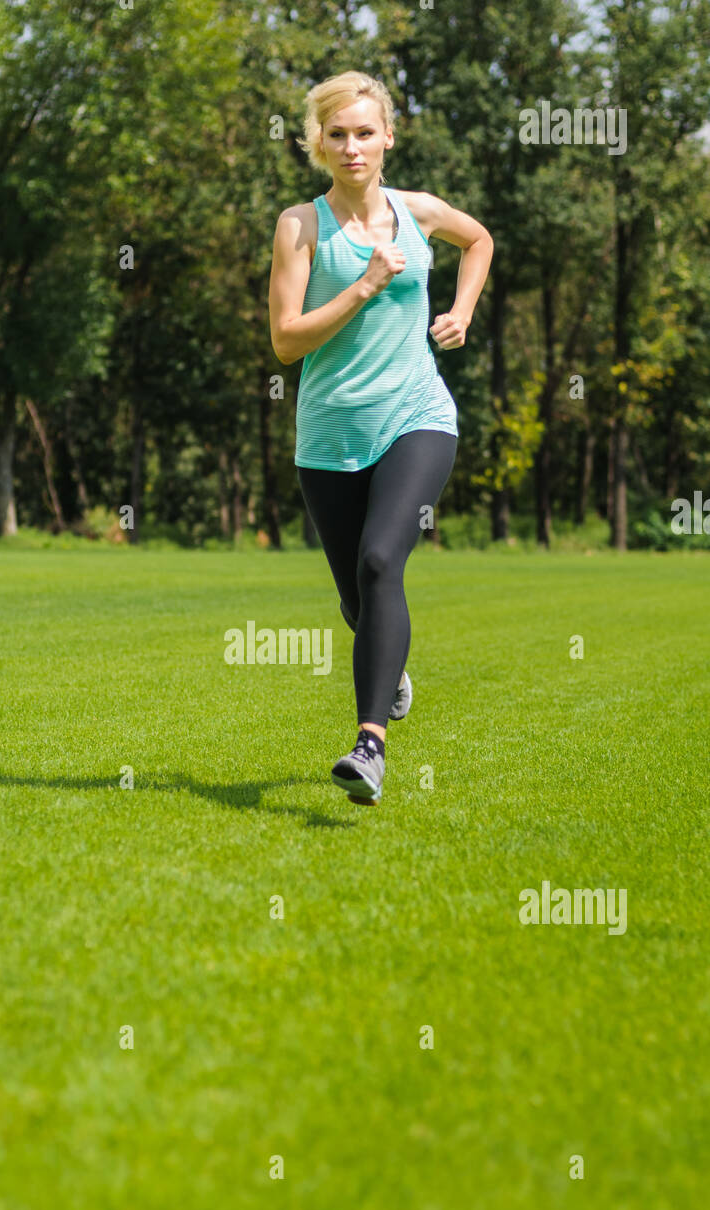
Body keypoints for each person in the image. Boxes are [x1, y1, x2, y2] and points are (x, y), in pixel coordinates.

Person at [268, 70, 493, 805]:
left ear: (387, 136)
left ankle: (369, 746)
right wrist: (362, 286)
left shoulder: (417, 210)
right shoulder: (299, 225)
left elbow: (479, 239)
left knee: (376, 562)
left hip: (416, 416)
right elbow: (285, 342)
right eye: (337, 134)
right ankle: (387, 669)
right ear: (318, 144)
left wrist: (461, 309)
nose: (352, 146)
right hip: (329, 436)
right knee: (357, 604)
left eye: (365, 132)